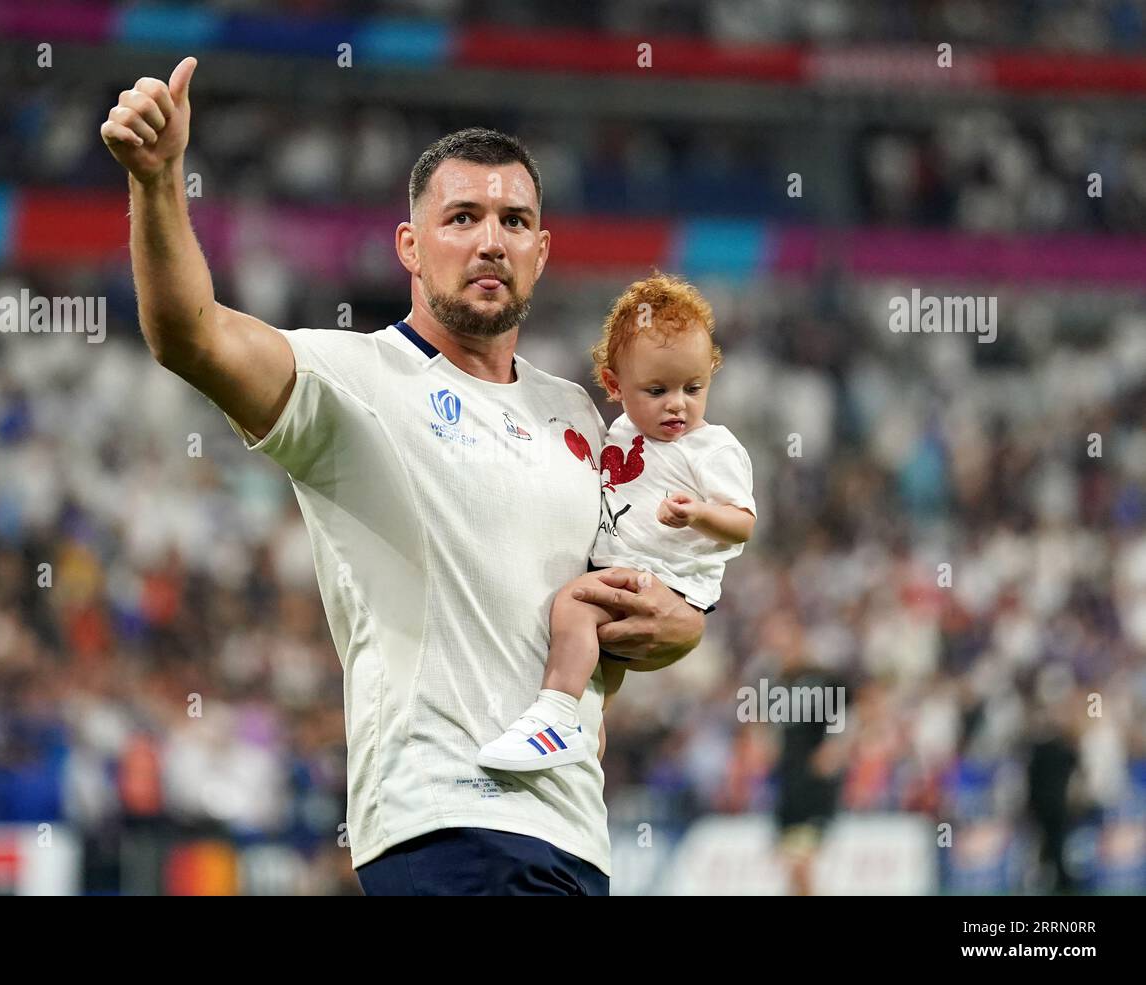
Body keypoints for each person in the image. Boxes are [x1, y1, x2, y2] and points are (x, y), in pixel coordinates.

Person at [100, 57, 707, 896]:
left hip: (572, 836)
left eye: (513, 219)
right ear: (411, 249)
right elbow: (189, 334)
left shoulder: (576, 413)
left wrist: (679, 629)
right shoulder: (356, 379)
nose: (491, 238)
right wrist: (161, 181)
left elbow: (617, 608)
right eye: (462, 217)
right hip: (445, 824)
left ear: (541, 250)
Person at [478, 273, 756, 771]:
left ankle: (556, 716)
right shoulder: (621, 431)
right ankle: (587, 734)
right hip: (631, 569)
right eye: (657, 389)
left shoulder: (711, 447)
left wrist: (699, 514)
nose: (678, 403)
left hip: (667, 584)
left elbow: (742, 522)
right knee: (603, 668)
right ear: (614, 385)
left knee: (577, 604)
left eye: (694, 388)